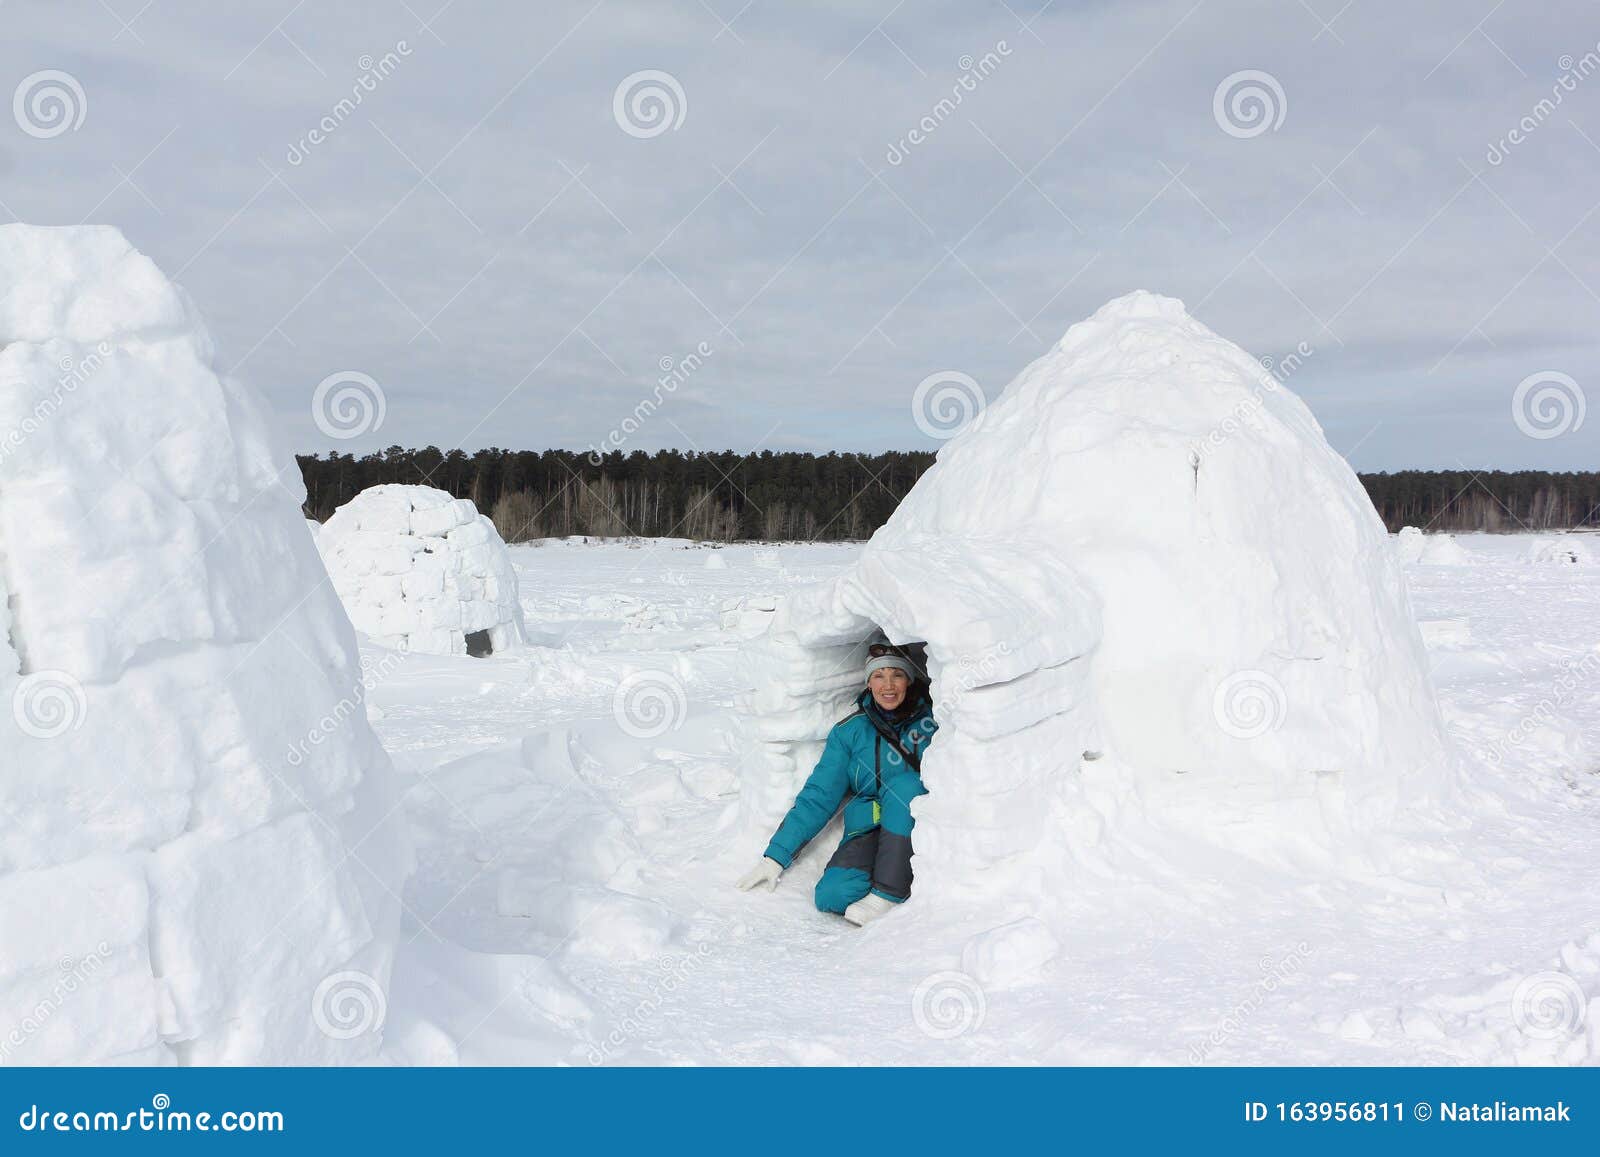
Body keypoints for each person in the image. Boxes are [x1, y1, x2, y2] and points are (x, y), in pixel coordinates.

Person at [736, 642, 936, 926]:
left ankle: (889, 893)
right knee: (832, 896)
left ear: (909, 679)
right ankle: (891, 875)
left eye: (897, 675)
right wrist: (775, 857)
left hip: (915, 819)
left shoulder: (932, 722)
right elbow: (818, 796)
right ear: (868, 682)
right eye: (879, 676)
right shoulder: (849, 732)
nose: (888, 685)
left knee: (904, 785)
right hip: (870, 822)